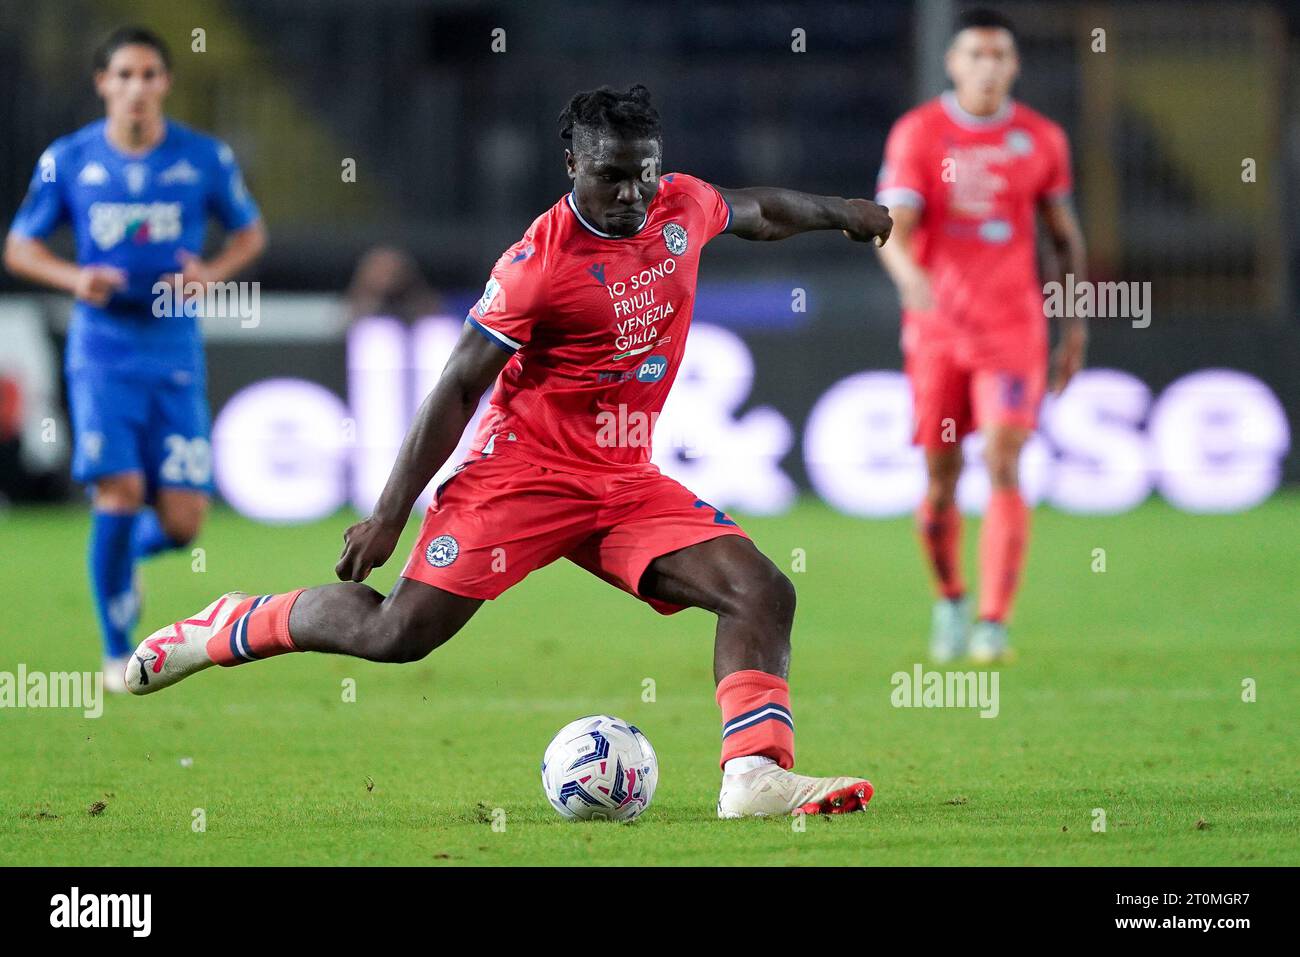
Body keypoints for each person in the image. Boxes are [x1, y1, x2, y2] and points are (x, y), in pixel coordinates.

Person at [124, 84, 893, 819]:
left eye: (643, 175)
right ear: (573, 167)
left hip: (623, 481)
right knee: (397, 634)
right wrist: (390, 516)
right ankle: (230, 624)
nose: (632, 195)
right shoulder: (538, 264)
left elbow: (758, 211)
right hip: (523, 476)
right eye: (611, 177)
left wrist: (846, 213)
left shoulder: (681, 203)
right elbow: (457, 387)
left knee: (761, 589)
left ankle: (753, 775)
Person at [3, 26, 266, 690]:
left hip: (175, 346)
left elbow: (249, 232)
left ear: (166, 84)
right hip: (102, 351)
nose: (137, 88)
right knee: (117, 491)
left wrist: (211, 273)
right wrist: (73, 279)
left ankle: (124, 561)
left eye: (149, 75)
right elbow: (20, 246)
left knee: (182, 523)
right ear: (103, 84)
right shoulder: (69, 159)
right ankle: (116, 652)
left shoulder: (204, 157)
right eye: (124, 75)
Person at [875, 8, 1087, 663]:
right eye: (976, 55)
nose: (989, 66)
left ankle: (994, 623)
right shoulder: (920, 133)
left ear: (1014, 65)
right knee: (941, 477)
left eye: (1000, 55)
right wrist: (910, 277)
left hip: (1012, 330)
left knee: (1003, 458)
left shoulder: (1041, 139)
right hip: (938, 332)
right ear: (953, 62)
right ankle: (951, 598)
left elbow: (1063, 237)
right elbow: (895, 230)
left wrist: (1073, 325)